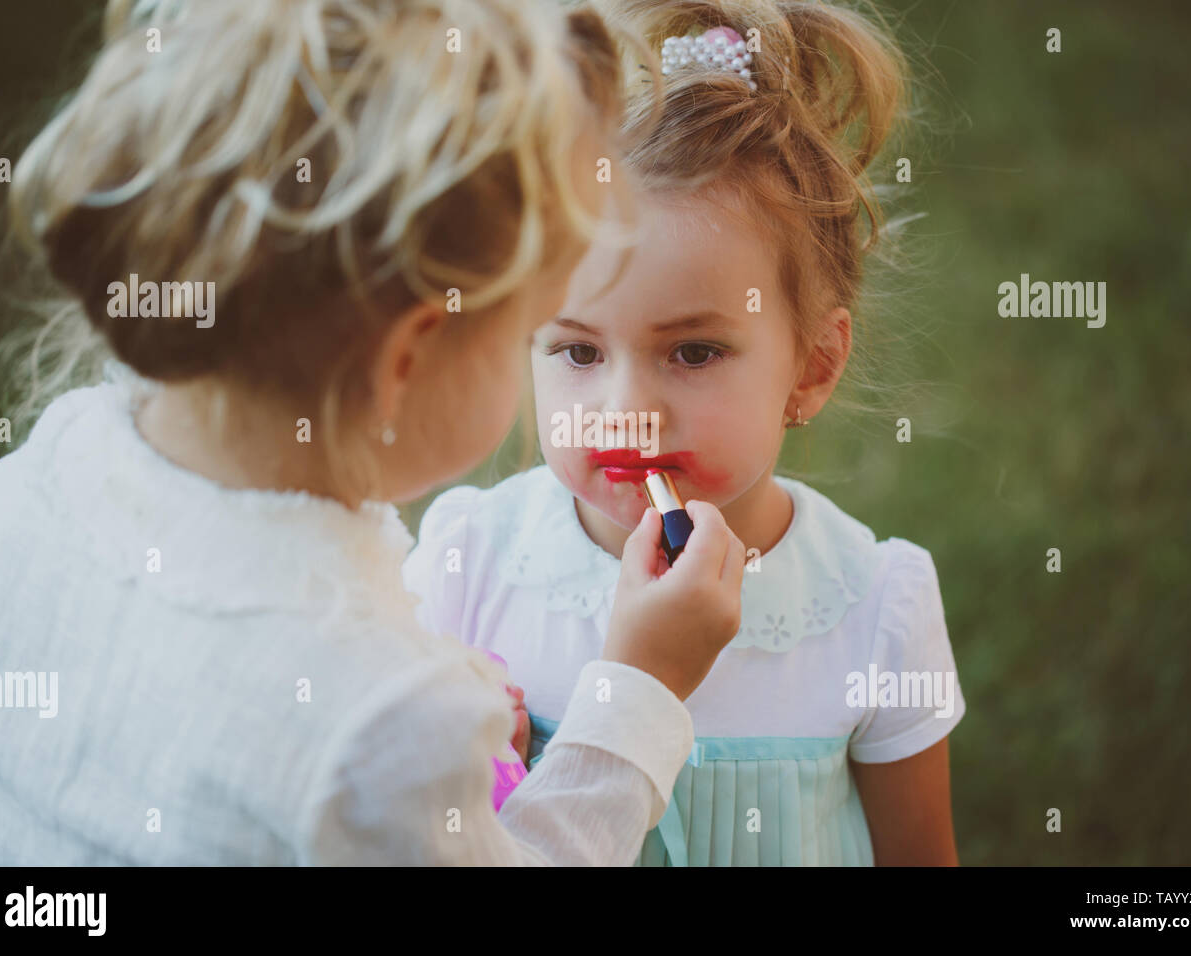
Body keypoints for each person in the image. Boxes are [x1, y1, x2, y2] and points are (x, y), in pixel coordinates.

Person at [0, 0, 746, 865]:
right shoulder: (384, 723)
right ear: (408, 353)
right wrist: (638, 689)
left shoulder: (26, 489)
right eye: (548, 326)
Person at [403, 0, 965, 865]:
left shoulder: (873, 607)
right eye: (578, 350)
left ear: (812, 365)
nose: (628, 408)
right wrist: (480, 770)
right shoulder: (467, 562)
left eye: (694, 351)